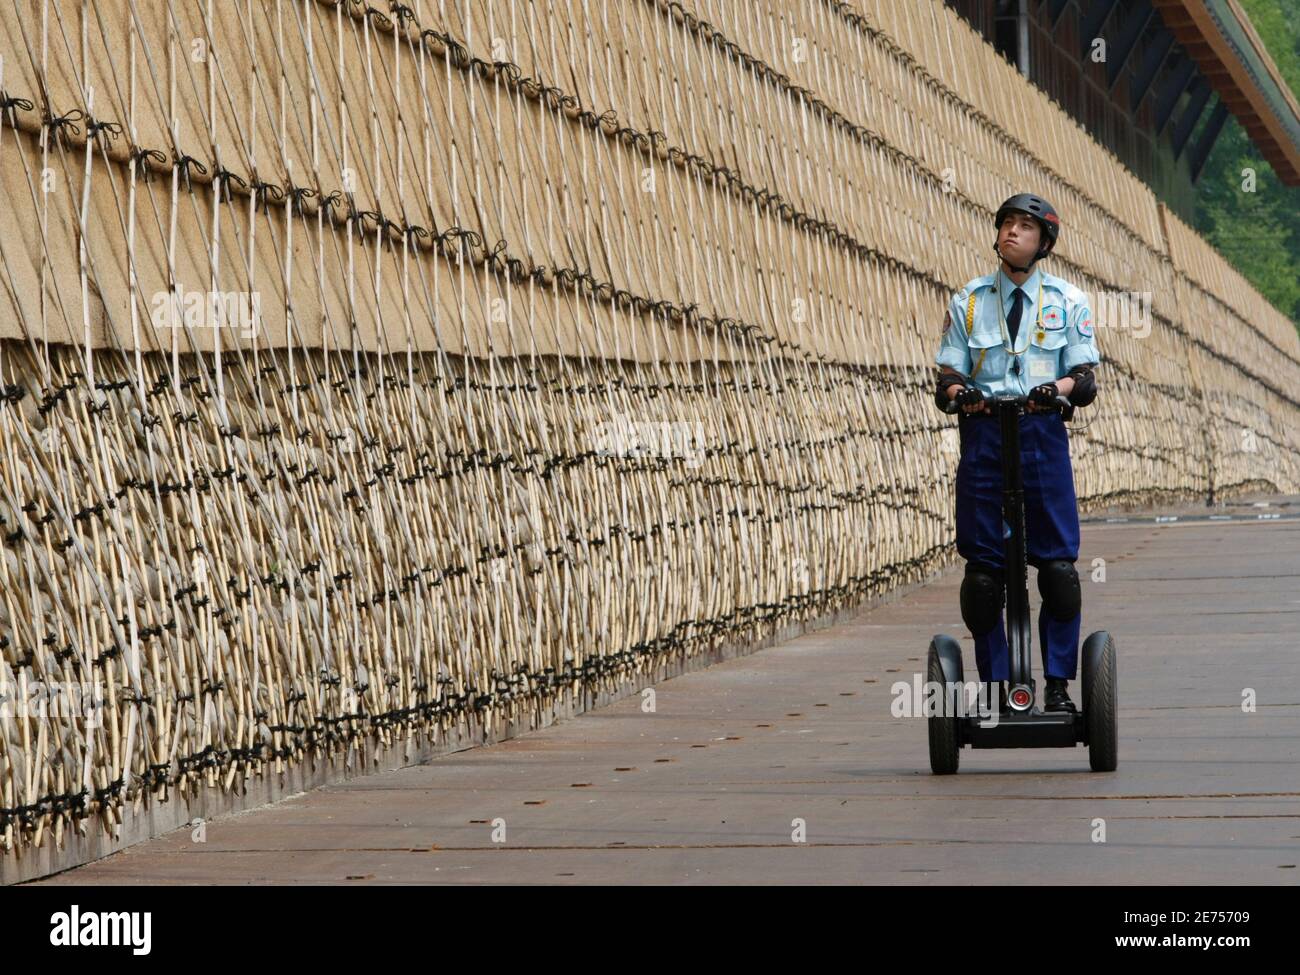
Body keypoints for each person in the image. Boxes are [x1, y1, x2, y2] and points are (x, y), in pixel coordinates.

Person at [933, 193, 1100, 712]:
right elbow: (948, 378)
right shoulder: (969, 300)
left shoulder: (1068, 301)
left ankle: (1055, 683)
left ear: (1044, 242)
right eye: (1007, 223)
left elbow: (1086, 378)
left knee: (1058, 572)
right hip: (984, 436)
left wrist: (1060, 389)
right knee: (983, 577)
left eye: (1025, 227)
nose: (1012, 232)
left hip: (1041, 435)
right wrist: (961, 393)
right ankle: (997, 685)